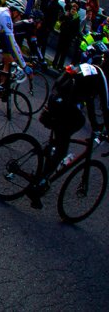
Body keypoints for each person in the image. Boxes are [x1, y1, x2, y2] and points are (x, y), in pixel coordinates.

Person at [28, 49, 109, 209]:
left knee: (72, 124)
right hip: (63, 105)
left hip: (56, 98)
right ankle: (39, 185)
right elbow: (106, 108)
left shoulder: (91, 69)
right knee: (68, 138)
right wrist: (102, 130)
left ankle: (50, 150)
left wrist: (96, 126)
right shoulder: (103, 79)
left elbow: (90, 101)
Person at [52, 1, 81, 69]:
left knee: (64, 53)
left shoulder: (77, 19)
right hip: (63, 35)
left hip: (69, 38)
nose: (73, 10)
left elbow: (76, 30)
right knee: (58, 51)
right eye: (72, 9)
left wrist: (73, 36)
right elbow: (60, 19)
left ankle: (60, 65)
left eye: (75, 9)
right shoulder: (67, 15)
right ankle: (54, 63)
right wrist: (65, 15)